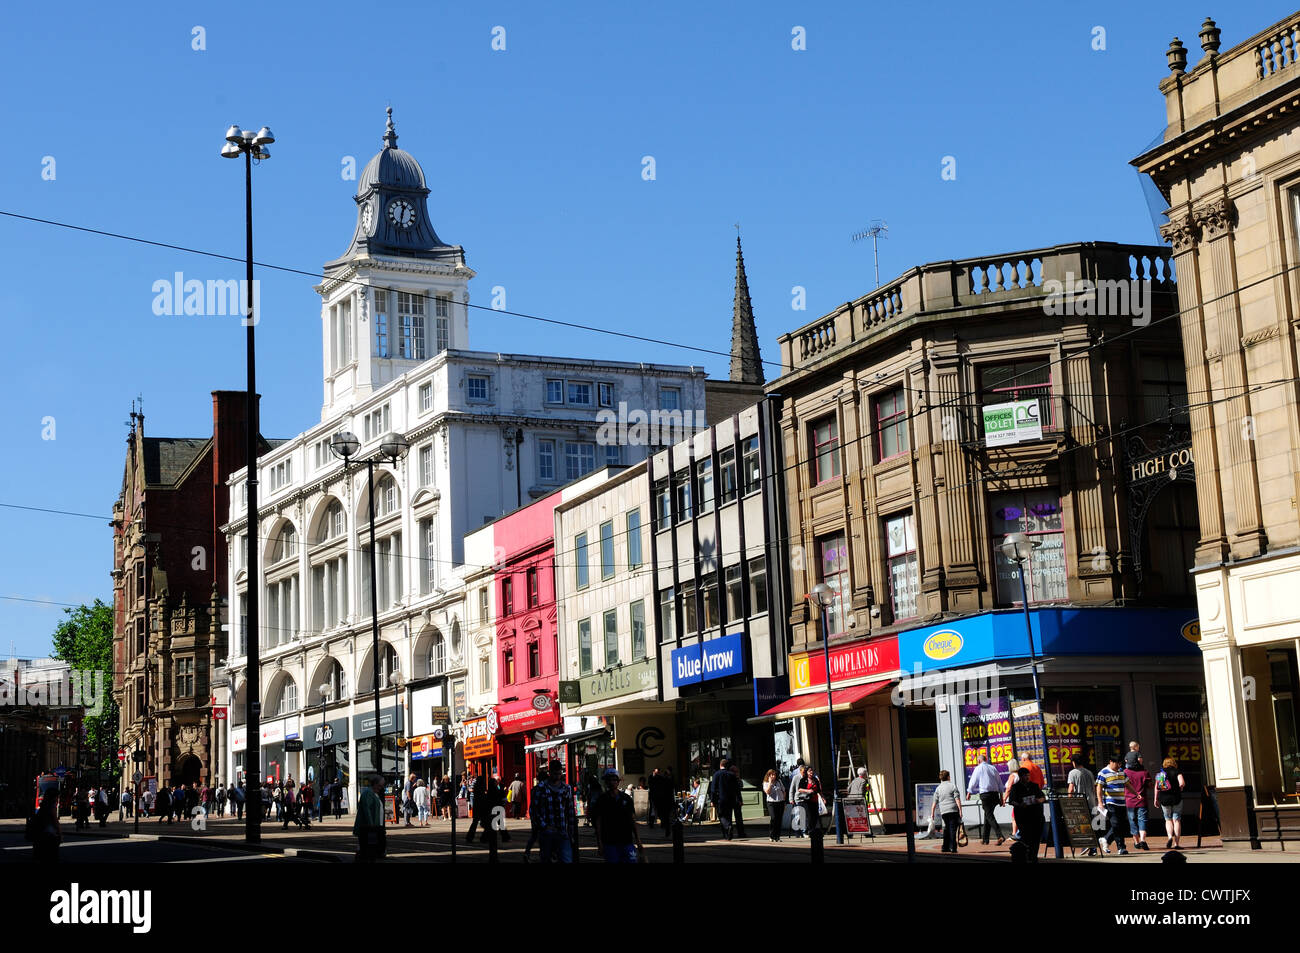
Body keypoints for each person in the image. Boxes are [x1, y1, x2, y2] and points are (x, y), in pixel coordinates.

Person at [591, 768, 644, 863]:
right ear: (606, 782)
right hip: (609, 842)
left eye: (614, 779)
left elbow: (632, 820)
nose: (612, 782)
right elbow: (598, 822)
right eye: (609, 780)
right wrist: (599, 843)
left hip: (627, 841)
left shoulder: (626, 799)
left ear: (618, 781)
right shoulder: (602, 800)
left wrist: (638, 840)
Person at [535, 761, 576, 863]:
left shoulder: (566, 788)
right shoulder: (541, 788)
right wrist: (544, 826)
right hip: (546, 833)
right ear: (550, 772)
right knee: (546, 859)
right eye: (555, 774)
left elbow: (570, 811)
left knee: (566, 860)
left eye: (559, 773)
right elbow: (534, 810)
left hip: (562, 831)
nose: (557, 776)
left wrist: (571, 832)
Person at [1006, 767, 1046, 862]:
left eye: (1028, 775)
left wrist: (1038, 800)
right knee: (1026, 837)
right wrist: (1020, 805)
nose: (1027, 777)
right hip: (1023, 817)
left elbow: (1043, 797)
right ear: (1020, 776)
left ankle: (1033, 856)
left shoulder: (1034, 786)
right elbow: (1011, 801)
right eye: (1025, 776)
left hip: (1036, 816)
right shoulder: (1016, 788)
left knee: (1036, 838)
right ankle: (1026, 856)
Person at [1095, 753, 1131, 855]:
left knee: (1120, 825)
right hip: (1110, 802)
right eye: (1117, 764)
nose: (1118, 766)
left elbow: (1127, 784)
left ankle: (1106, 839)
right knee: (1115, 824)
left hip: (1122, 802)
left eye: (1120, 764)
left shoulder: (1121, 772)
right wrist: (1100, 802)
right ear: (1111, 762)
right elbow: (1099, 788)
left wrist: (1136, 794)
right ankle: (1121, 847)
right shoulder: (1103, 772)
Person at [966, 753, 1006, 846]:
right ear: (986, 759)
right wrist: (1001, 797)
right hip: (995, 795)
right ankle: (985, 839)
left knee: (989, 815)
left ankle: (1000, 835)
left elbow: (973, 781)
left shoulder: (978, 768)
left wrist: (969, 792)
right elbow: (1000, 783)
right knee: (987, 815)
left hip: (985, 795)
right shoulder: (993, 768)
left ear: (979, 761)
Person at [1066, 753, 1100, 855]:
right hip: (1091, 802)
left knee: (1082, 825)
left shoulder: (1073, 773)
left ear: (1074, 762)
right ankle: (1093, 848)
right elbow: (1094, 788)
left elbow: (1071, 789)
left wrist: (1069, 801)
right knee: (1091, 825)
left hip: (1080, 803)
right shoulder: (1089, 772)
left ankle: (1086, 845)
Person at [353, 775, 386, 862]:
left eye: (382, 786)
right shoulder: (368, 793)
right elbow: (367, 810)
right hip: (367, 828)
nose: (381, 788)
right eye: (380, 785)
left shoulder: (374, 793)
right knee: (368, 852)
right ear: (374, 784)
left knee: (371, 851)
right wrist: (371, 825)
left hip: (374, 827)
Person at [1155, 757, 1186, 850]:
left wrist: (1155, 799)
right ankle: (1176, 843)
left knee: (1168, 819)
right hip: (1176, 798)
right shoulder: (1177, 771)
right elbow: (1182, 783)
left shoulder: (1161, 773)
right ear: (1173, 763)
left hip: (1164, 799)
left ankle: (1169, 837)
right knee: (1176, 820)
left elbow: (1157, 787)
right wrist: (1179, 788)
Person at [710, 758, 743, 840]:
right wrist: (740, 799)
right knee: (728, 815)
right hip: (731, 799)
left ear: (720, 765)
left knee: (721, 816)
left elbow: (713, 789)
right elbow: (737, 789)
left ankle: (728, 827)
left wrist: (712, 800)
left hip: (720, 799)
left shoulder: (716, 774)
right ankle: (728, 835)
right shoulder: (731, 775)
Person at [932, 769, 963, 854]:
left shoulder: (938, 788)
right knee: (952, 829)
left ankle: (945, 847)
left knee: (947, 828)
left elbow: (934, 802)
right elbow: (957, 799)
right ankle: (953, 847)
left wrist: (932, 814)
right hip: (953, 810)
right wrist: (960, 810)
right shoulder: (952, 786)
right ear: (948, 777)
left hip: (944, 812)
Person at [1124, 756, 1151, 851]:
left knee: (1132, 820)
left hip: (1129, 801)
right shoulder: (1144, 772)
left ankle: (1136, 842)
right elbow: (1149, 785)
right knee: (1142, 820)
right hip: (1142, 800)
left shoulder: (1125, 772)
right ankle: (1143, 840)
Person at [28, 791, 61, 863]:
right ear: (53, 798)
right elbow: (55, 822)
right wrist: (59, 833)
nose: (57, 799)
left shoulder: (42, 806)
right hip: (49, 835)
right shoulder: (51, 807)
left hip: (41, 834)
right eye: (56, 797)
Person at [523, 772, 548, 861]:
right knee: (543, 836)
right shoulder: (543, 788)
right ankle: (544, 854)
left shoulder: (535, 789)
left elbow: (533, 805)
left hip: (535, 816)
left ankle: (527, 852)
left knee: (534, 836)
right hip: (541, 816)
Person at [648, 768, 674, 837]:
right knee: (665, 815)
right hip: (665, 801)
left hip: (663, 801)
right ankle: (665, 826)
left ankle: (665, 826)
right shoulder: (666, 781)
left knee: (663, 815)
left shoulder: (662, 781)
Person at [762, 768, 787, 842]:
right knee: (773, 818)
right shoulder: (765, 783)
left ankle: (777, 837)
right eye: (771, 775)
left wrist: (784, 800)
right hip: (771, 802)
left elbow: (784, 791)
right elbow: (768, 792)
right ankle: (772, 835)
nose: (773, 776)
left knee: (779, 820)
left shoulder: (779, 781)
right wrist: (770, 783)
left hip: (780, 802)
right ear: (768, 776)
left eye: (774, 775)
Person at [465, 772, 489, 843]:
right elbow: (484, 799)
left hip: (476, 808)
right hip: (482, 808)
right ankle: (483, 838)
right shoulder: (481, 789)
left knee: (474, 823)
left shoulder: (476, 788)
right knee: (487, 825)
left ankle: (469, 837)